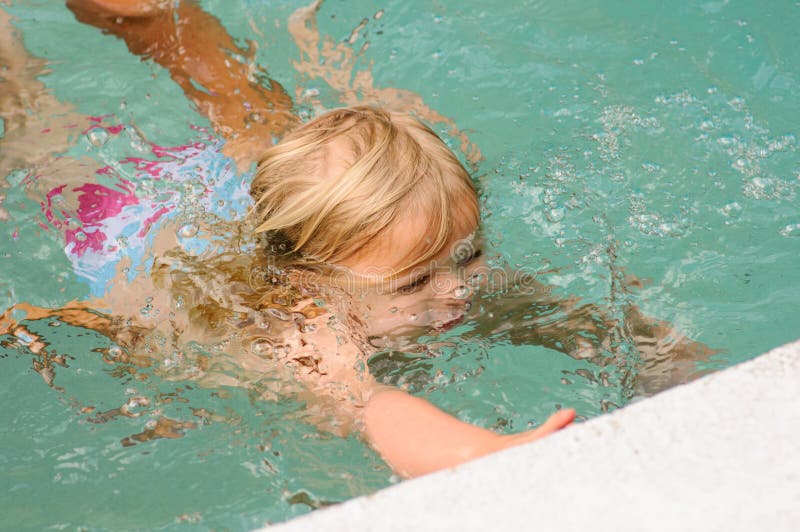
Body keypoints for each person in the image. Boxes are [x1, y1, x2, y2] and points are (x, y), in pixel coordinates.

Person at [1, 0, 712, 479]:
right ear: (306, 284)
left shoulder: (438, 273)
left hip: (238, 187)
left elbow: (576, 321)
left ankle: (146, 14)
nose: (457, 291)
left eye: (468, 255)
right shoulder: (304, 332)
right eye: (415, 283)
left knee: (247, 109)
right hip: (124, 224)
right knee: (37, 129)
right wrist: (484, 455)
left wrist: (667, 360)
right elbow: (374, 410)